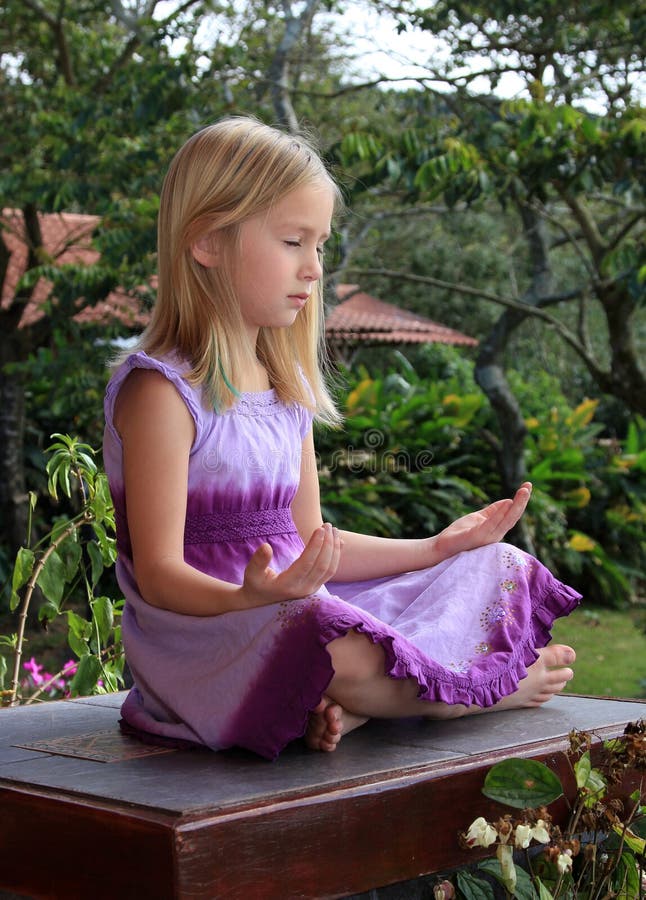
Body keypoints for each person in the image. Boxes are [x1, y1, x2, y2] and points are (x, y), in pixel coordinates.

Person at [103, 115, 580, 761]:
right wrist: (250, 597)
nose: (313, 269)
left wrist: (436, 548)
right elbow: (158, 576)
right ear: (208, 241)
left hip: (297, 613)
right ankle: (493, 690)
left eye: (320, 246)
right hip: (209, 639)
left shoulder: (284, 389)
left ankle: (351, 709)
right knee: (335, 648)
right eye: (294, 241)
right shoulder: (162, 392)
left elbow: (313, 544)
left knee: (497, 567)